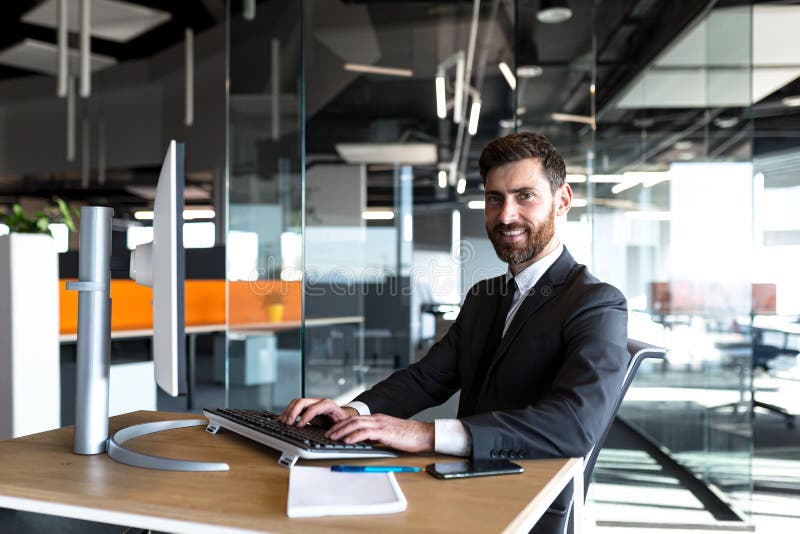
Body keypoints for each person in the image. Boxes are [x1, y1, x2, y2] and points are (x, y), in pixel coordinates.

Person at [280, 132, 628, 533]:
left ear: (562, 200)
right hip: (463, 483)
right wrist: (355, 412)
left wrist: (427, 434)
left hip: (527, 501)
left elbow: (576, 425)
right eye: (495, 198)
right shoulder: (486, 295)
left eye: (525, 196)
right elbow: (429, 377)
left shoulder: (596, 302)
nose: (506, 215)